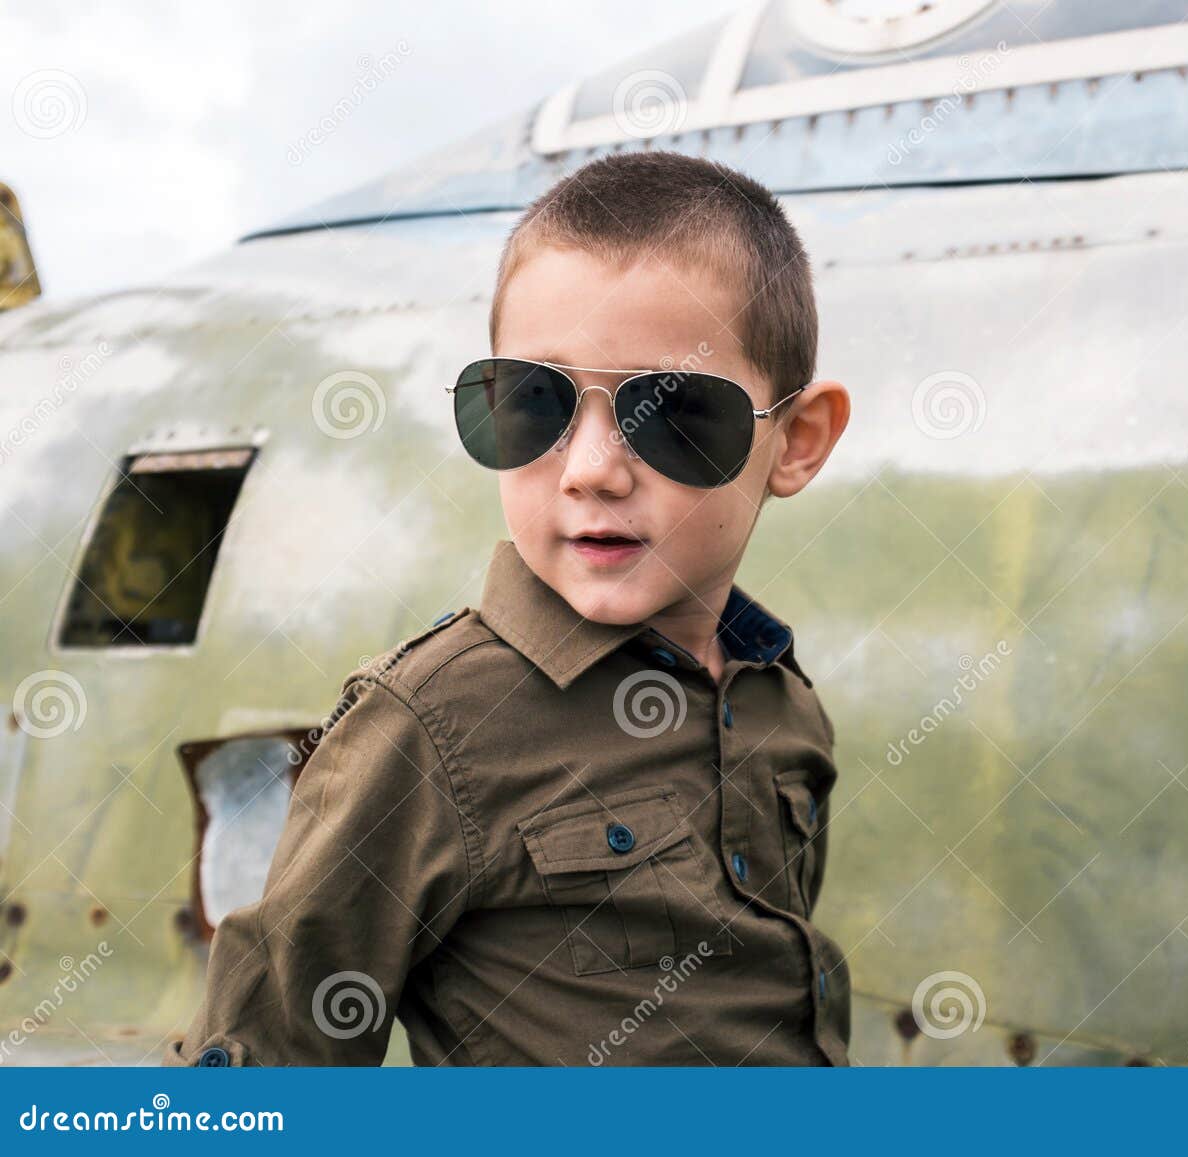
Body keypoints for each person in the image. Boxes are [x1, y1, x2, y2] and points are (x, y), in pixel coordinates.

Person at [165, 150, 853, 1066]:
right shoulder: (427, 725)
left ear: (796, 442)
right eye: (536, 404)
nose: (591, 471)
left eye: (673, 411)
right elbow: (266, 1062)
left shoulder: (784, 703)